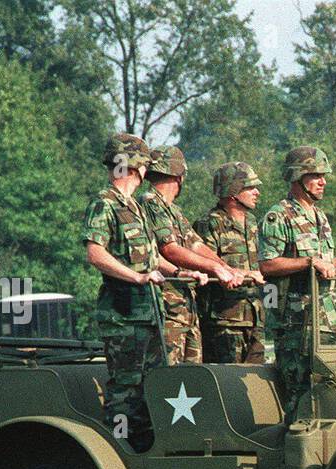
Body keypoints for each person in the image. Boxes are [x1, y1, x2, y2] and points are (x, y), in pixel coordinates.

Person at [259, 146, 336, 418]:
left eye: (324, 175)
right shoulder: (279, 216)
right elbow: (267, 265)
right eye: (316, 175)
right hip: (295, 329)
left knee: (331, 400)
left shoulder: (319, 217)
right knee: (299, 403)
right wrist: (309, 262)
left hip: (326, 325)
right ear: (298, 177)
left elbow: (327, 262)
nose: (323, 181)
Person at [83, 132, 175, 452]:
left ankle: (146, 452)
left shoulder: (134, 206)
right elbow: (95, 253)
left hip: (149, 314)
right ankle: (119, 452)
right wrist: (136, 278)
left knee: (153, 388)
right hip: (123, 316)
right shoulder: (104, 203)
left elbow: (152, 257)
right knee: (125, 391)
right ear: (136, 167)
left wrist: (180, 272)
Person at [138, 145, 226, 365]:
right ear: (179, 176)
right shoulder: (151, 203)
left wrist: (226, 269)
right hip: (167, 308)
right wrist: (215, 269)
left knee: (193, 380)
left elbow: (196, 245)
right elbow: (170, 249)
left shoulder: (172, 210)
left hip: (185, 308)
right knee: (169, 379)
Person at [197, 162, 268, 364]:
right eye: (249, 187)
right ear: (232, 191)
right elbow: (203, 266)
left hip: (255, 318)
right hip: (224, 322)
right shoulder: (210, 224)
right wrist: (244, 275)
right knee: (229, 383)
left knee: (254, 383)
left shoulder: (253, 223)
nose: (257, 192)